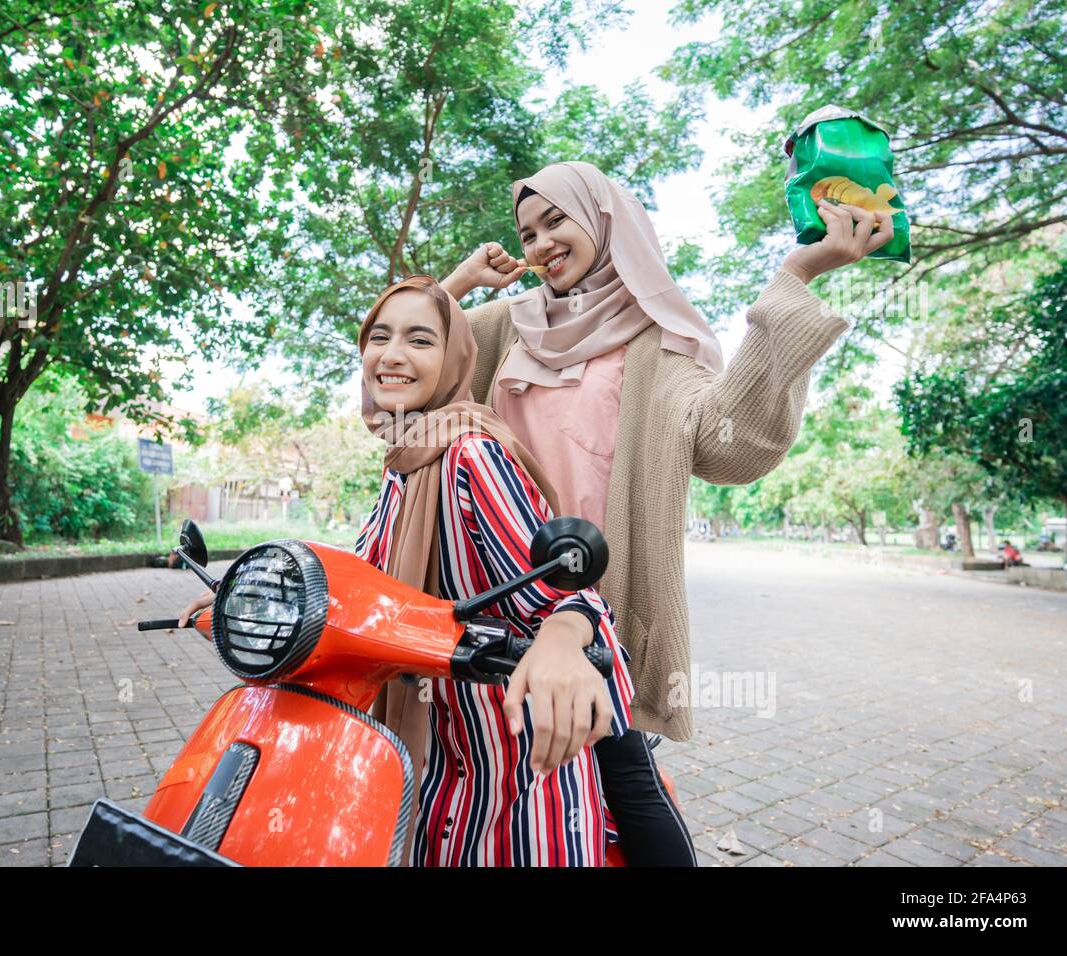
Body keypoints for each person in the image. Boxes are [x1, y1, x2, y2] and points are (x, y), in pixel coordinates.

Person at [437, 160, 892, 865]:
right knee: (484, 783)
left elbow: (732, 446)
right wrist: (461, 282)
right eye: (527, 232)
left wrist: (795, 281)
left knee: (629, 784)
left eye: (556, 220)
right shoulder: (505, 326)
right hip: (492, 594)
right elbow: (399, 370)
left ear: (604, 220)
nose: (539, 244)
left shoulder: (656, 340)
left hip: (595, 606)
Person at [184, 274, 635, 867]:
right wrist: (255, 602)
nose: (391, 356)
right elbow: (364, 585)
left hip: (508, 770)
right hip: (432, 754)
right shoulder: (405, 460)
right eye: (379, 337)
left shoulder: (468, 454)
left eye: (420, 341)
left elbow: (568, 597)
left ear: (451, 360)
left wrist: (562, 637)